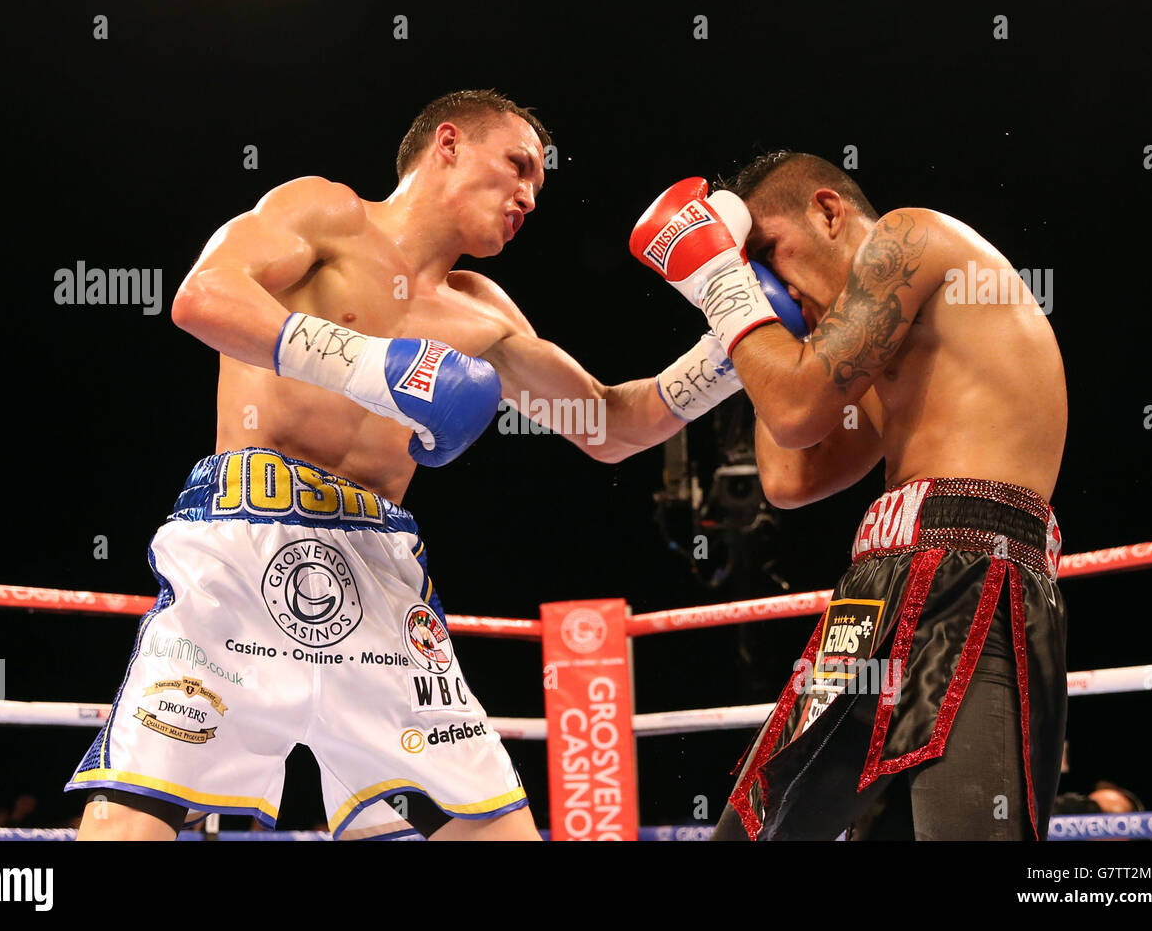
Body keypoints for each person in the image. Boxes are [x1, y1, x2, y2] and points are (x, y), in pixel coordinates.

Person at [67, 90, 743, 841]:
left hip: (382, 575)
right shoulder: (324, 213)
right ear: (447, 143)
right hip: (242, 543)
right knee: (137, 819)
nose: (527, 195)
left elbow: (610, 425)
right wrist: (371, 364)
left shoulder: (482, 312)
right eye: (517, 165)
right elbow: (203, 298)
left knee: (498, 834)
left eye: (540, 187)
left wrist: (733, 345)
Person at [630, 152, 1068, 840]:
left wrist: (722, 282)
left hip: (971, 569)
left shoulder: (910, 236)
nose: (771, 280)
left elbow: (800, 407)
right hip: (876, 591)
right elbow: (792, 478)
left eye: (770, 253)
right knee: (758, 828)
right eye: (756, 270)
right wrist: (768, 319)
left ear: (829, 212)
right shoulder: (881, 361)